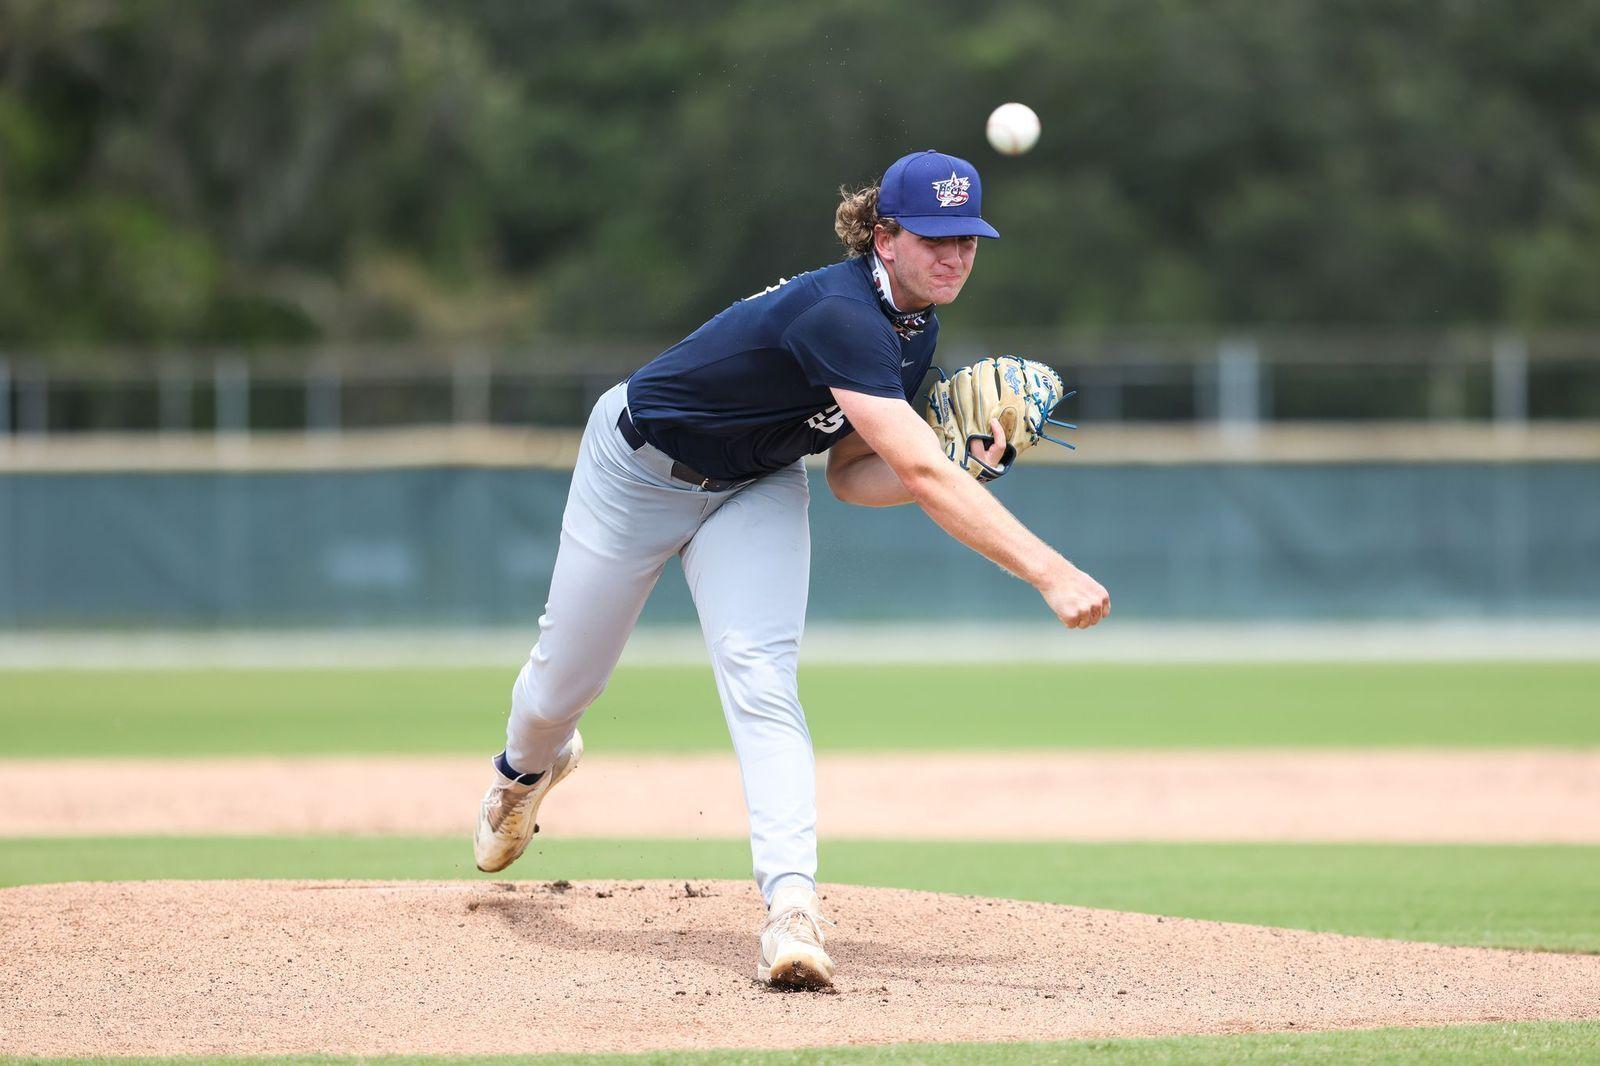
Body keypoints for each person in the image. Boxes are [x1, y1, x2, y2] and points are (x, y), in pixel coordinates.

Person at [473, 148, 1111, 989]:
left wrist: (973, 463)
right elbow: (919, 475)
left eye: (969, 238)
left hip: (754, 483)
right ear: (885, 238)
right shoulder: (840, 311)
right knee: (564, 682)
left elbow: (852, 478)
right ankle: (524, 774)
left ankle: (792, 911)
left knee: (762, 678)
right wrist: (1047, 571)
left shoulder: (916, 332)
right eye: (935, 236)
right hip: (636, 471)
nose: (955, 254)